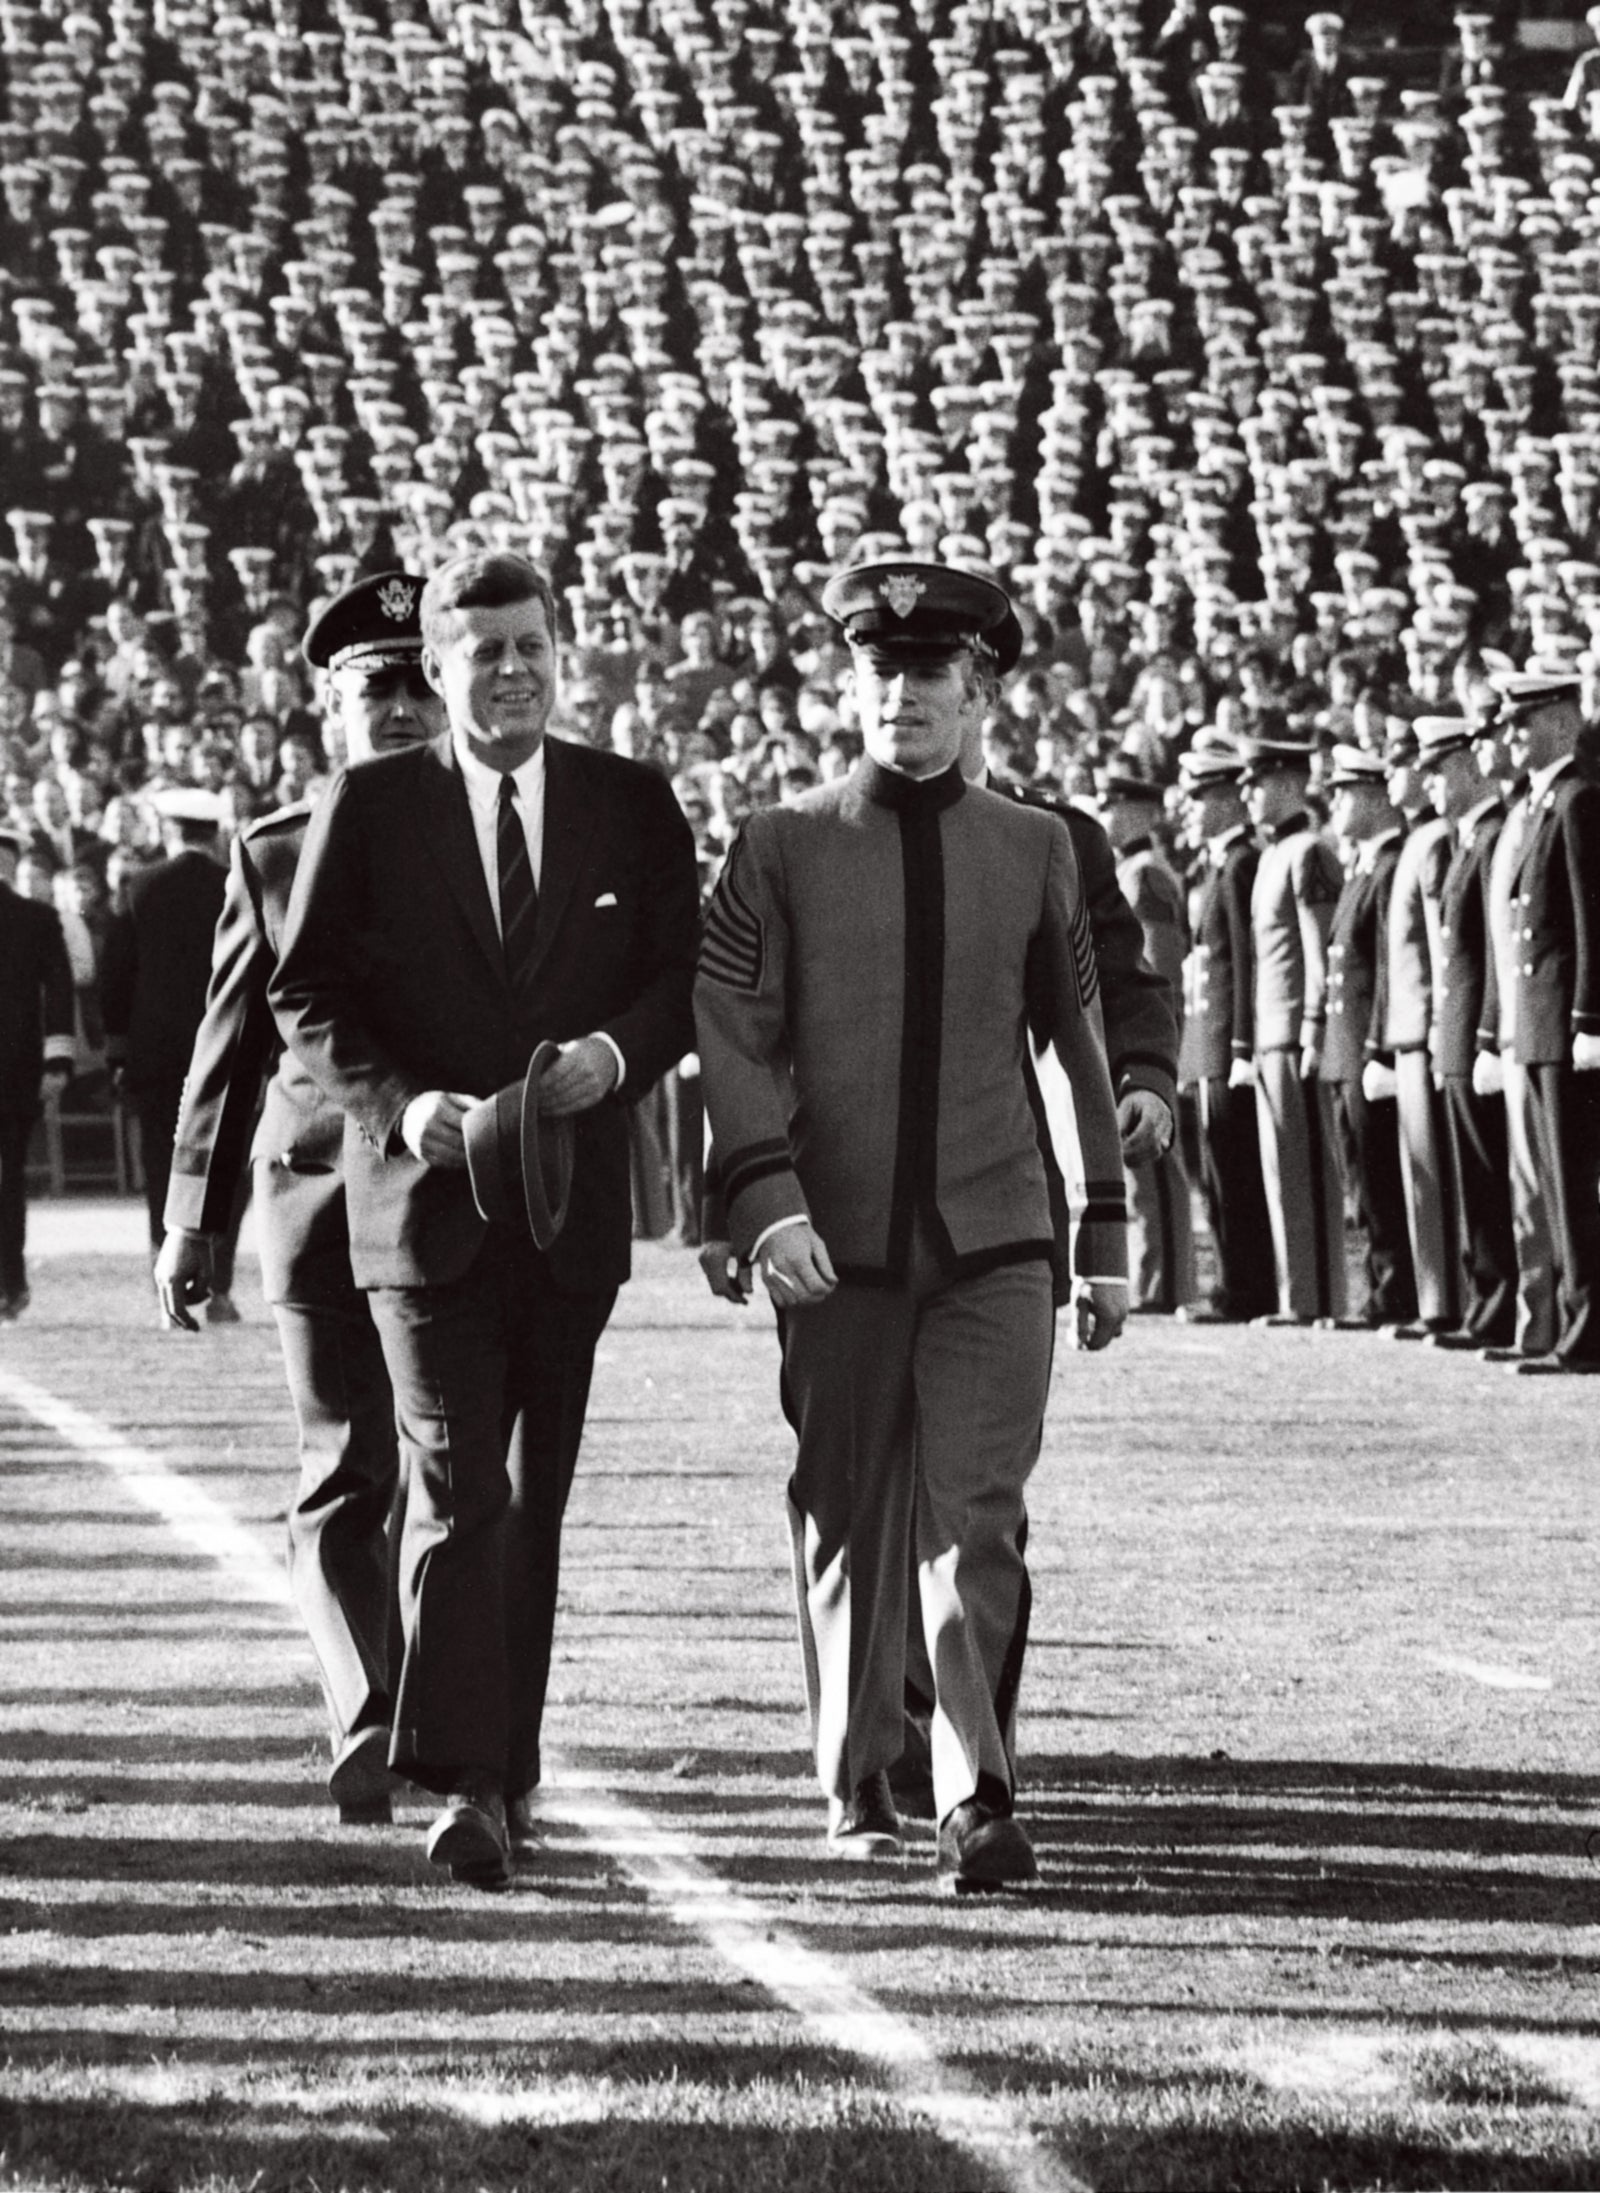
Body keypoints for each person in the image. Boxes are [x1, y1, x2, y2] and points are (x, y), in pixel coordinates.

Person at [695, 559, 1127, 1891]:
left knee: (975, 1513)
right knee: (844, 1510)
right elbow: (732, 1037)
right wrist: (759, 1204)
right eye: (881, 672)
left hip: (998, 1239)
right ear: (849, 687)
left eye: (931, 674)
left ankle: (974, 1793)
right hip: (832, 1249)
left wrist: (1105, 1233)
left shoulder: (1036, 846)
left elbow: (1082, 1043)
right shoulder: (778, 842)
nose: (905, 695)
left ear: (978, 692)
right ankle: (857, 1772)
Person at [270, 550, 700, 1887]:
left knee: (533, 1502)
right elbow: (307, 995)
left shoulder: (630, 802)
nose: (512, 671)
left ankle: (506, 1769)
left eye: (531, 647)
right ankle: (464, 1784)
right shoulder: (371, 804)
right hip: (420, 1215)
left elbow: (679, 981)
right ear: (439, 668)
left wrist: (611, 1062)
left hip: (568, 1217)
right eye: (484, 652)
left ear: (559, 652)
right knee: (463, 1486)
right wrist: (404, 1110)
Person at [153, 572, 443, 1823]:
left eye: (420, 684)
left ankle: (437, 1714)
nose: (402, 708)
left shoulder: (492, 842)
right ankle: (366, 1714)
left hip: (447, 1193)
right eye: (377, 688)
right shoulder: (275, 848)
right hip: (315, 1188)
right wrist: (192, 1218)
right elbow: (227, 1053)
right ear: (330, 703)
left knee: (448, 1470)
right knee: (343, 1463)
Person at [1489, 669, 1600, 1375]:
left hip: (1563, 1019)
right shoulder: (1537, 806)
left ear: (1562, 722)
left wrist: (1590, 1017)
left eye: (1523, 724)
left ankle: (1587, 1331)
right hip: (1535, 1021)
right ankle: (1565, 1322)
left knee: (1574, 1182)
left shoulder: (1579, 800)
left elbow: (1591, 918)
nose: (1511, 736)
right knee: (1549, 1186)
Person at [99, 788, 239, 1313]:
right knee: (227, 1163)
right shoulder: (236, 883)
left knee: (163, 1163)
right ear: (215, 834)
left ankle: (169, 1280)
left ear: (169, 830)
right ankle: (219, 1286)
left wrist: (118, 1052)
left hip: (156, 1053)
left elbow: (115, 977)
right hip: (227, 1048)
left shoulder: (139, 887)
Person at [1241, 728, 1347, 1325]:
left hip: (1296, 1030)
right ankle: (1296, 1296)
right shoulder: (1271, 856)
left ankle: (1322, 1296)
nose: (1248, 795)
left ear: (1288, 783)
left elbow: (1320, 947)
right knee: (1283, 1173)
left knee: (1310, 1174)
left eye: (1258, 783)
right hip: (1270, 1031)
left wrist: (1315, 1027)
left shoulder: (1309, 852)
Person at [1419, 715, 1517, 1351]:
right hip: (1455, 1036)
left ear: (1465, 767)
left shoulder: (1490, 838)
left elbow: (1491, 955)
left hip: (1476, 1034)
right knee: (1473, 1186)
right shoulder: (1467, 842)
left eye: (1438, 769)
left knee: (1490, 1180)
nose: (1429, 782)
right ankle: (1485, 1305)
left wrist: (1484, 1037)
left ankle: (1501, 1309)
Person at [1318, 744, 1416, 1330]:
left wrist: (1376, 1047)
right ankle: (1380, 1288)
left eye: (1345, 792)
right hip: (1345, 1048)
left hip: (1366, 1047)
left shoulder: (1390, 866)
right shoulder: (1362, 868)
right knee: (1361, 1178)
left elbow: (1384, 971)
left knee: (1382, 1177)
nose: (1334, 803)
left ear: (1378, 797)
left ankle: (1396, 1291)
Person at [1178, 744, 1276, 1323]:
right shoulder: (1217, 865)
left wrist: (1241, 1045)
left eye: (1197, 798)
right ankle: (1230, 1283)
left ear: (1223, 800)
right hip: (1207, 1043)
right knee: (1216, 1176)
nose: (1187, 811)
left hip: (1226, 1045)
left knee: (1235, 1176)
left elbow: (1243, 961)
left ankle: (1246, 1288)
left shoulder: (1241, 864)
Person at [1096, 764, 1195, 1313]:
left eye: (1113, 805)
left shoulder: (1145, 875)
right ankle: (1154, 1275)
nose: (1104, 814)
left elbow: (1159, 968)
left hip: (1152, 1034)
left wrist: (1158, 1044)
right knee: (1139, 1168)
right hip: (1132, 1037)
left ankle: (1168, 1282)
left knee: (1155, 1163)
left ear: (1139, 813)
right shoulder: (1127, 872)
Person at [1382, 723, 1461, 1339]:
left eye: (1405, 764)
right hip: (1408, 1028)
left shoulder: (1433, 840)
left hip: (1427, 1027)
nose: (1396, 775)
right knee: (1421, 1182)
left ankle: (1449, 1303)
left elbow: (1441, 946)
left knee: (1440, 1182)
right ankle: (1434, 1302)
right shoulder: (1418, 839)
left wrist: (1438, 1027)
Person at [0, 822, 74, 1318]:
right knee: (11, 1176)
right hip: (18, 1066)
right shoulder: (38, 918)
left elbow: (59, 991)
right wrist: (57, 1059)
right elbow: (59, 994)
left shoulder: (38, 918)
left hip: (16, 1066)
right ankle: (11, 1282)